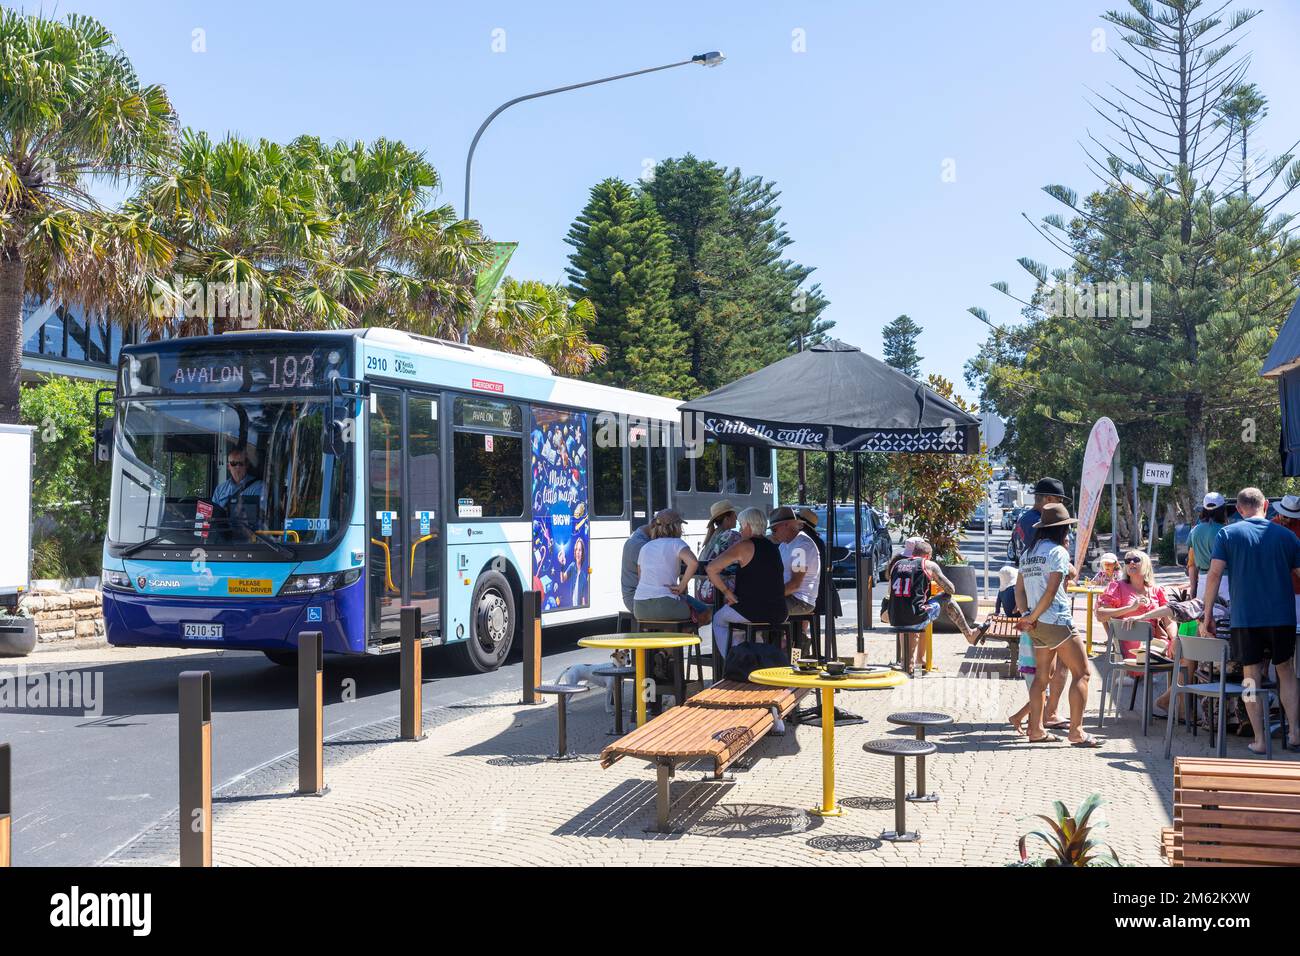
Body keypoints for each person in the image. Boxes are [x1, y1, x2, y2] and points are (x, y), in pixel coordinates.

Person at [1201, 487, 1300, 754]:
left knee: (1250, 677)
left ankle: (1259, 739)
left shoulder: (1228, 534)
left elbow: (1214, 575)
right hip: (1282, 617)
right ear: (1266, 505)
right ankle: (1295, 733)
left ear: (1240, 509)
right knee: (1286, 671)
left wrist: (1207, 614)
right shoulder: (1287, 537)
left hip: (1245, 619)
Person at [1015, 502, 1097, 746]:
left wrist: (1027, 616)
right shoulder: (1058, 552)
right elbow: (1051, 592)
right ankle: (1076, 732)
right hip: (1057, 621)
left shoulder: (1027, 554)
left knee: (1042, 677)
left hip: (1037, 626)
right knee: (1082, 673)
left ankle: (1036, 730)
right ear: (1061, 530)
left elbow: (1019, 589)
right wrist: (1031, 617)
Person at [1094, 549, 1181, 716]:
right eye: (1127, 561)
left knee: (1185, 657)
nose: (1131, 563)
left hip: (1155, 648)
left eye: (1136, 559)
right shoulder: (1117, 587)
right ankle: (1176, 709)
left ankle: (1174, 706)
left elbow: (1169, 620)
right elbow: (1100, 614)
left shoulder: (1156, 590)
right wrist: (1131, 608)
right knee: (1182, 660)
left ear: (1146, 564)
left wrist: (1175, 638)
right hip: (1130, 652)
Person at [707, 507, 788, 666]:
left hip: (752, 611)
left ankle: (733, 663)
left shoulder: (744, 545)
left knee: (718, 619)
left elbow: (711, 568)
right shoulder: (773, 547)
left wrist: (726, 592)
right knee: (746, 626)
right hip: (779, 611)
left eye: (740, 525)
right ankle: (752, 661)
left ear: (748, 526)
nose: (739, 529)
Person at [887, 538, 980, 674]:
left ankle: (911, 662)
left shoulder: (897, 564)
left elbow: (891, 592)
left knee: (914, 610)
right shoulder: (928, 565)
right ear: (927, 556)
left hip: (894, 616)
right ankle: (969, 634)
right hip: (915, 616)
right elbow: (951, 589)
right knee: (947, 599)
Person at [633, 510, 703, 623]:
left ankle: (670, 636)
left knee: (669, 620)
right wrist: (682, 585)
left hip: (640, 607)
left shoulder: (645, 547)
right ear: (675, 526)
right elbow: (693, 563)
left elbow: (640, 578)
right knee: (705, 612)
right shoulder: (677, 543)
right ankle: (683, 637)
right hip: (666, 604)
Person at [769, 506, 821, 620]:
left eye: (774, 530)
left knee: (761, 608)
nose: (773, 534)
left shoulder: (801, 546)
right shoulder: (784, 545)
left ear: (786, 525)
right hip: (789, 596)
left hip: (800, 600)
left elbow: (795, 584)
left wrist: (771, 595)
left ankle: (775, 637)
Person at [797, 507, 843, 622]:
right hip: (821, 592)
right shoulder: (817, 540)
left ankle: (796, 635)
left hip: (813, 595)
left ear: (802, 524)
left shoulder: (804, 541)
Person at [1013, 477, 1070, 565]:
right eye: (1059, 501)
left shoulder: (1024, 519)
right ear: (1049, 499)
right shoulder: (1040, 523)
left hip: (1026, 574)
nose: (1061, 506)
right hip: (1043, 576)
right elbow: (1058, 555)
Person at [212, 445, 265, 537]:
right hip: (222, 540)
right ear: (228, 466)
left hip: (248, 540)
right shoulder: (220, 489)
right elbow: (212, 516)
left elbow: (261, 518)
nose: (237, 467)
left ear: (247, 465)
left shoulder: (259, 487)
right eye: (233, 463)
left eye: (240, 463)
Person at [1187, 492, 1229, 600]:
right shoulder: (1227, 532)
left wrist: (1193, 587)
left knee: (1205, 615)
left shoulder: (1194, 531)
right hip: (1225, 581)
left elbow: (1191, 563)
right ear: (1222, 510)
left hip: (1203, 582)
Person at [697, 499, 739, 604]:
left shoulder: (711, 538)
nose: (736, 518)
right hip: (717, 589)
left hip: (702, 592)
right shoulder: (731, 535)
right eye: (734, 515)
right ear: (727, 518)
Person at [620, 512, 660, 613]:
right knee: (693, 609)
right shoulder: (641, 546)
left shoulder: (640, 538)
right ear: (654, 527)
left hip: (642, 596)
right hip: (638, 599)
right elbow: (652, 579)